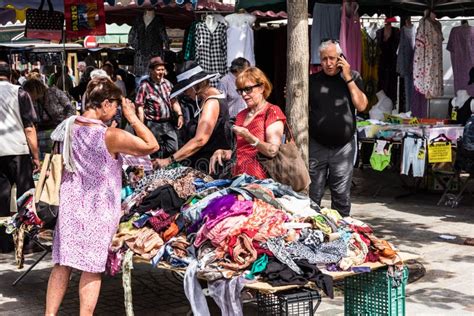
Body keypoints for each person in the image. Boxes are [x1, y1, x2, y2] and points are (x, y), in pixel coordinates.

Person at [45, 77, 159, 315]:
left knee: (62, 264)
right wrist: (133, 117)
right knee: (91, 268)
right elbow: (152, 145)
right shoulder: (110, 135)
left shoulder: (67, 127)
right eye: (116, 104)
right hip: (98, 211)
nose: (117, 109)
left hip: (70, 206)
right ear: (106, 104)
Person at [308, 39, 368, 216]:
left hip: (343, 147)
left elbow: (362, 106)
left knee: (341, 195)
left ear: (340, 58)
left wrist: (348, 77)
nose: (328, 63)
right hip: (316, 145)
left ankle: (342, 232)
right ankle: (313, 231)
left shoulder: (353, 77)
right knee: (313, 194)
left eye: (332, 58)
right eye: (325, 59)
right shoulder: (312, 81)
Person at [153, 61, 231, 172]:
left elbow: (200, 139)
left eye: (186, 89)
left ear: (195, 85)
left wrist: (169, 160)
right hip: (202, 163)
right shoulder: (205, 100)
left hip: (209, 167)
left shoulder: (211, 102)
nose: (185, 93)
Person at [209, 67, 286, 179]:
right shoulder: (241, 115)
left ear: (261, 87)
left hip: (260, 180)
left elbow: (272, 151)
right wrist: (223, 153)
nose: (244, 95)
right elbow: (241, 151)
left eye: (248, 89)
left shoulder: (272, 111)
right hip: (237, 177)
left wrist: (249, 136)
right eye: (240, 90)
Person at [0, 62, 39, 252]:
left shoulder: (21, 92)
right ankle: (28, 242)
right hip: (18, 149)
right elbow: (29, 127)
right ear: (12, 75)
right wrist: (36, 156)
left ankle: (4, 242)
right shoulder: (20, 93)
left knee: (1, 198)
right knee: (25, 197)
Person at [135, 56, 184, 158]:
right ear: (151, 71)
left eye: (162, 69)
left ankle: (160, 158)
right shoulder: (144, 86)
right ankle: (156, 164)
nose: (161, 72)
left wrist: (180, 115)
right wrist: (141, 125)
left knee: (173, 147)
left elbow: (174, 101)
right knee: (153, 147)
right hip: (153, 124)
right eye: (158, 70)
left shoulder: (168, 84)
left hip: (167, 123)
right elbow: (140, 106)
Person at [22, 78, 76, 157]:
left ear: (34, 90)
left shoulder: (54, 92)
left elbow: (71, 108)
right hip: (43, 132)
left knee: (59, 157)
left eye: (28, 93)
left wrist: (66, 124)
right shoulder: (32, 101)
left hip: (60, 130)